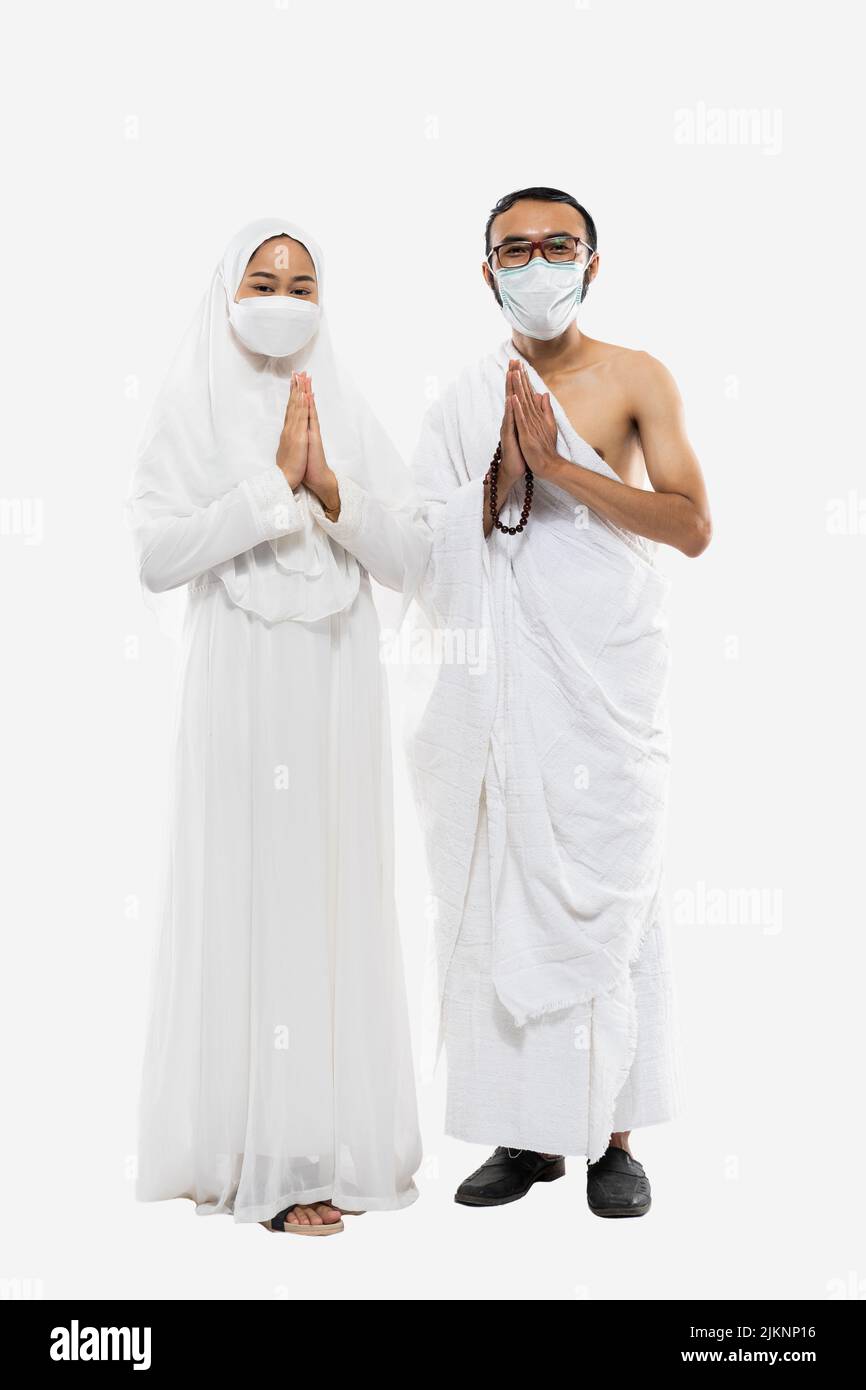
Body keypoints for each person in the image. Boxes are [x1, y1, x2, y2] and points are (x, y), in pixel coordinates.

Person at [408, 186, 711, 1217]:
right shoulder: (465, 395)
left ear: (591, 260)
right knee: (507, 888)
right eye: (512, 249)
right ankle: (524, 1136)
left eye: (555, 244)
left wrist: (556, 469)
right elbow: (428, 539)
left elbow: (687, 524)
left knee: (613, 891)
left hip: (606, 683)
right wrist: (506, 462)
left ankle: (612, 1141)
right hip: (510, 693)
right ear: (485, 270)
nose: (535, 262)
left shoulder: (634, 379)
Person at [127, 218, 429, 1235]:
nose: (284, 298)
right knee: (249, 886)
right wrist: (269, 484)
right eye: (263, 278)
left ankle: (317, 1139)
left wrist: (329, 483)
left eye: (304, 284)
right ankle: (252, 1154)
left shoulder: (344, 405)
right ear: (226, 293)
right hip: (242, 682)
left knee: (329, 889)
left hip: (335, 679)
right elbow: (157, 554)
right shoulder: (189, 403)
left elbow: (409, 554)